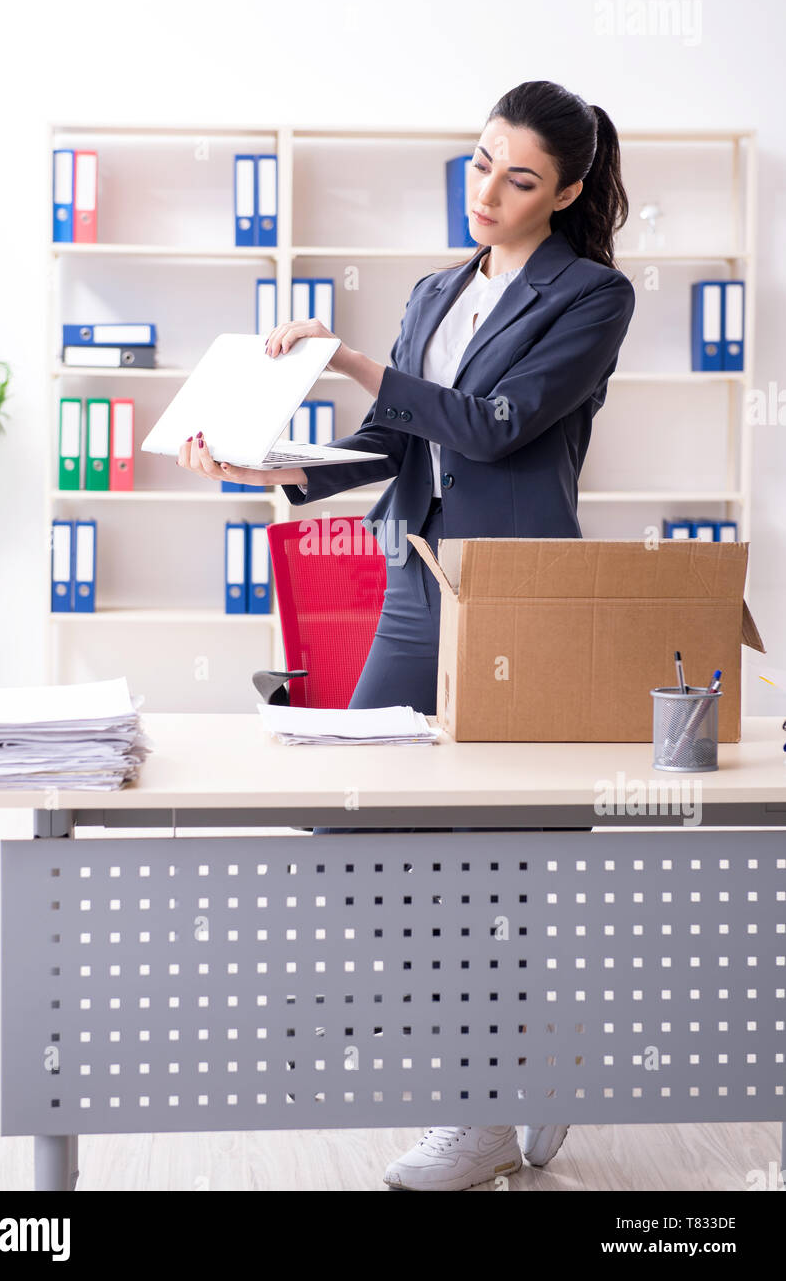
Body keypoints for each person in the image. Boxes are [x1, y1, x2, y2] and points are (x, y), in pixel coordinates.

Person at [177, 80, 635, 1191]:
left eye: (519, 177)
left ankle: (479, 1110)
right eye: (480, 162)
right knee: (348, 826)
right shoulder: (435, 291)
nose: (488, 190)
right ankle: (530, 1058)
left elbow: (491, 429)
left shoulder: (593, 296)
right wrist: (267, 466)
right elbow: (392, 445)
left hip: (516, 595)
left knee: (494, 860)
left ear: (566, 191)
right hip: (414, 583)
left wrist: (350, 357)